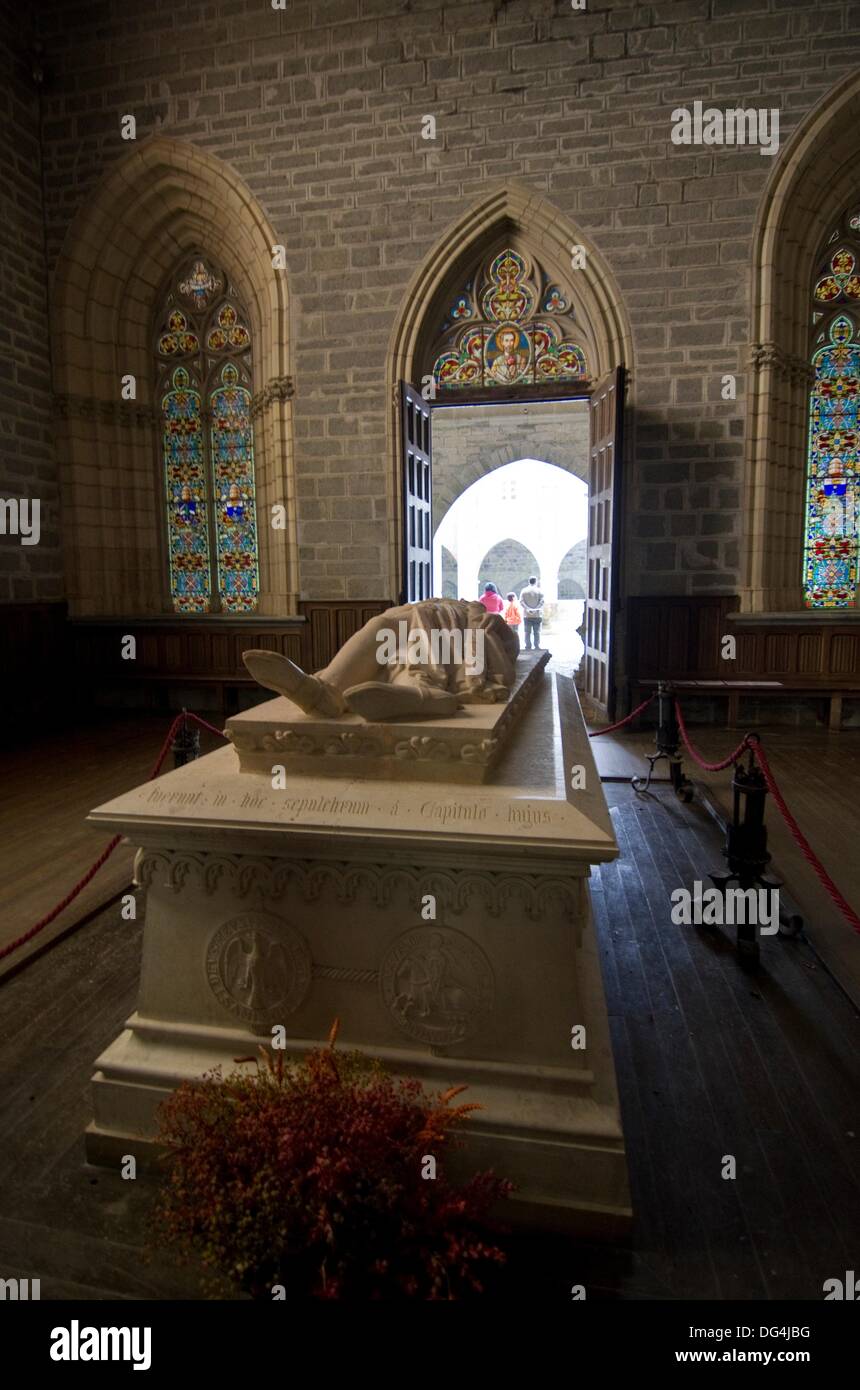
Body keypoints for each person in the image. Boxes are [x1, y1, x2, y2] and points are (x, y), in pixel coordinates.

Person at [242, 597, 520, 722]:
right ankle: (324, 690)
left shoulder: (478, 614)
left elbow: (508, 645)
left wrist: (475, 631)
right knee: (392, 650)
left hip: (435, 634)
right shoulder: (426, 607)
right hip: (415, 628)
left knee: (401, 648)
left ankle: (421, 697)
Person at [519, 575, 545, 650]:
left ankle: (528, 646)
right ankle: (536, 646)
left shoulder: (524, 590)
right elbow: (542, 601)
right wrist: (535, 609)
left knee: (527, 632)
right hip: (537, 615)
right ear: (536, 581)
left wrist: (528, 609)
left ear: (529, 581)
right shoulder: (539, 590)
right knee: (537, 632)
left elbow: (521, 601)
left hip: (527, 615)